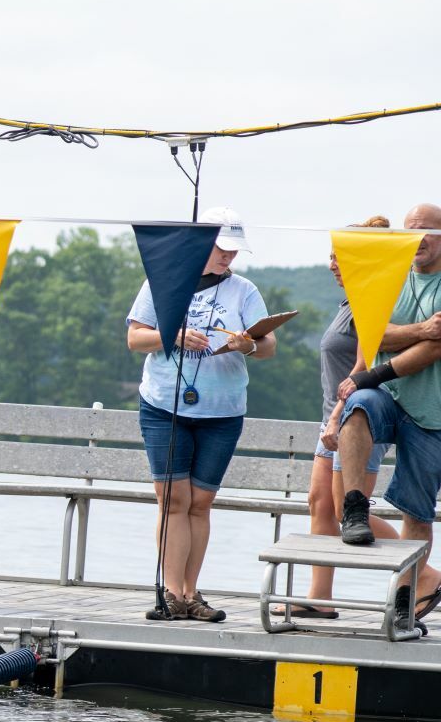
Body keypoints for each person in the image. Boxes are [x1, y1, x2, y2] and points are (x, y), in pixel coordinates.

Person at [124, 205, 276, 622]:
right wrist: (170, 336)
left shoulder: (244, 290)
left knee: (201, 502)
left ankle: (192, 593)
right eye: (222, 249)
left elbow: (268, 345)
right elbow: (135, 338)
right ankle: (171, 593)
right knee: (174, 498)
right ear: (201, 244)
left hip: (223, 411)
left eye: (233, 251)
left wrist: (247, 344)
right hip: (164, 404)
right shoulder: (164, 281)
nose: (229, 258)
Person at [333, 202, 441, 624]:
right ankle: (356, 507)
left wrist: (379, 363)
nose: (420, 238)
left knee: (416, 511)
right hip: (387, 395)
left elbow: (435, 347)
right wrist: (416, 331)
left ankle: (406, 601)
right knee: (359, 406)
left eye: (430, 231)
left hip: (432, 411)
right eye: (412, 230)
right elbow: (372, 331)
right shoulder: (391, 278)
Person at [301, 217, 398, 615]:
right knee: (320, 504)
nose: (331, 265)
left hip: (355, 419)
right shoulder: (349, 302)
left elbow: (363, 368)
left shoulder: (374, 300)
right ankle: (319, 599)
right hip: (332, 418)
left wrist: (338, 416)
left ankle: (425, 573)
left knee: (347, 509)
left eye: (338, 257)